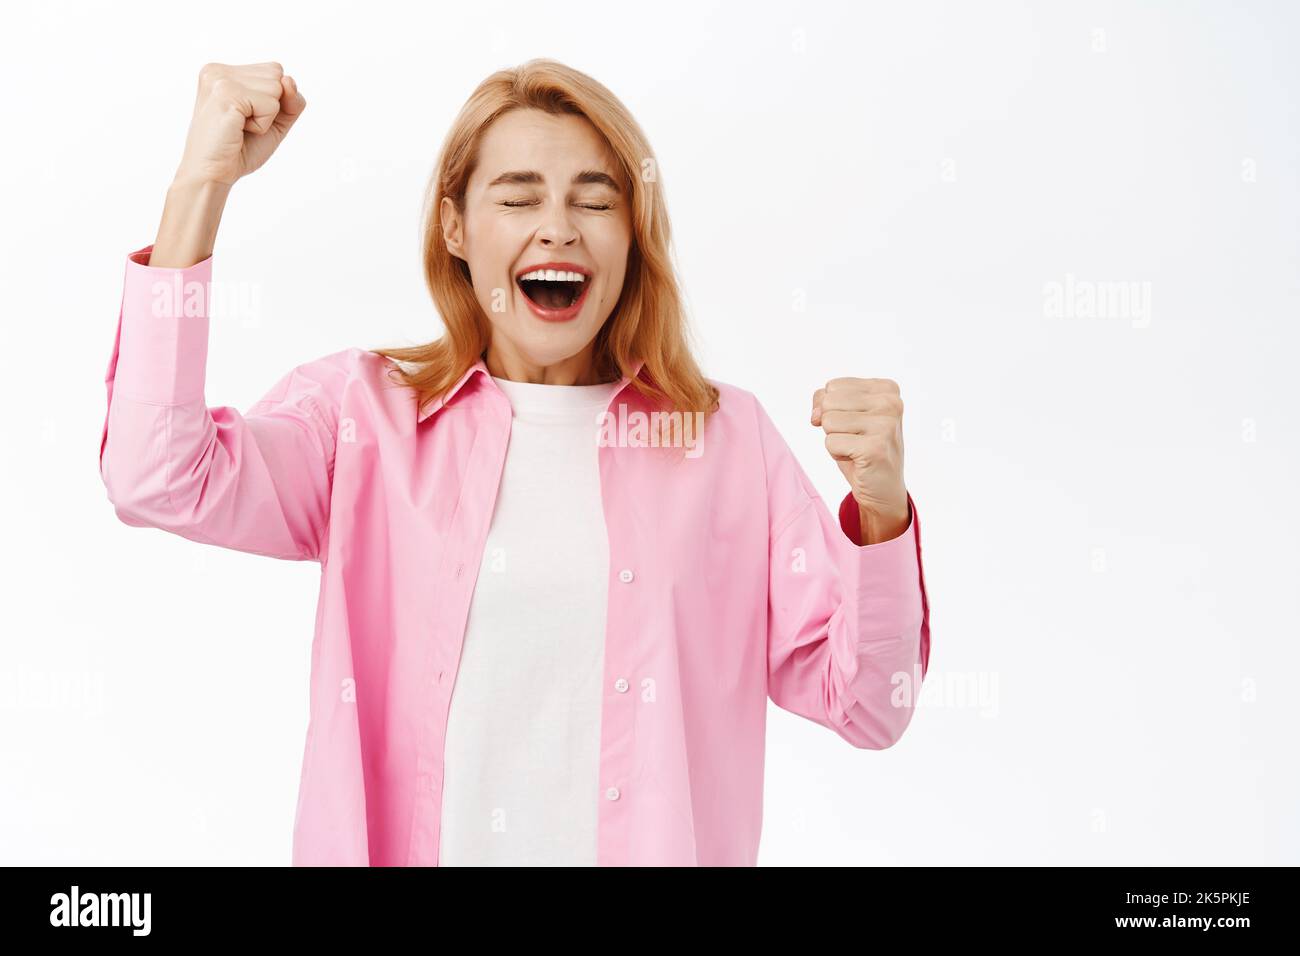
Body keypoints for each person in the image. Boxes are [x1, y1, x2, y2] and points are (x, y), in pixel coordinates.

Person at [99, 58, 932, 866]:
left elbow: (867, 707)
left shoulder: (723, 443)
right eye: (519, 195)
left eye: (595, 201)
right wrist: (199, 186)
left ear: (633, 236)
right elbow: (157, 476)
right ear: (456, 229)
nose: (558, 226)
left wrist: (881, 510)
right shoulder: (364, 418)